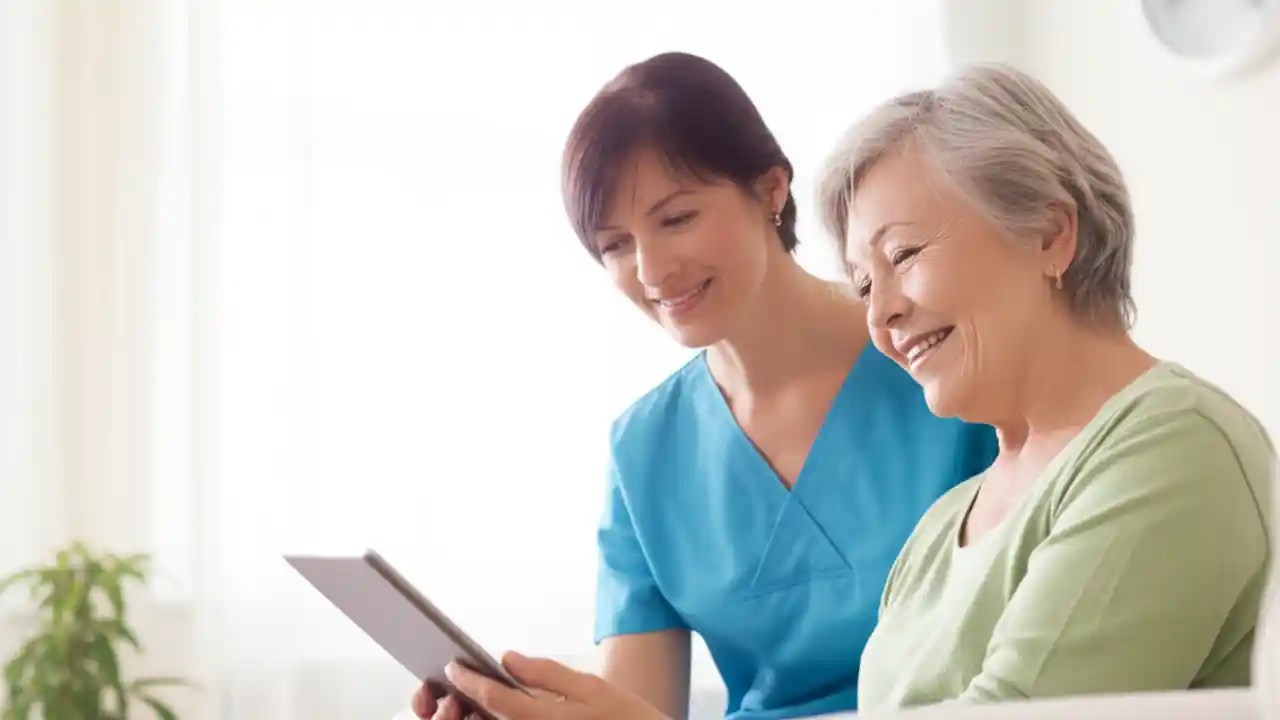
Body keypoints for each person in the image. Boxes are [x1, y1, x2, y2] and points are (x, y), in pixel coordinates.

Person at [435, 63, 1275, 718]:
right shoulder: (954, 520)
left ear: (1051, 234)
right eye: (865, 282)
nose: (885, 316)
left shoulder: (1167, 448)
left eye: (904, 255)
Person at [412, 52, 996, 720]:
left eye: (676, 218)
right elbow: (638, 708)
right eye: (616, 246)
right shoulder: (644, 451)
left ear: (771, 190)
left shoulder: (931, 352)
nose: (652, 270)